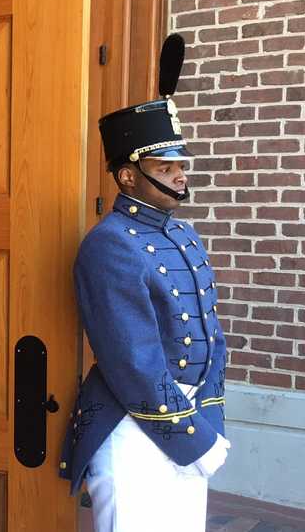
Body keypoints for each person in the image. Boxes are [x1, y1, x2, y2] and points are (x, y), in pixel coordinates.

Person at [59, 34, 230, 532]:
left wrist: (210, 417)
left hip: (191, 417)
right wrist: (192, 439)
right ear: (127, 177)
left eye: (180, 166)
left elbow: (210, 334)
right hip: (134, 426)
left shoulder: (184, 233)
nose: (179, 177)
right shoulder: (109, 244)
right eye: (164, 167)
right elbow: (133, 364)